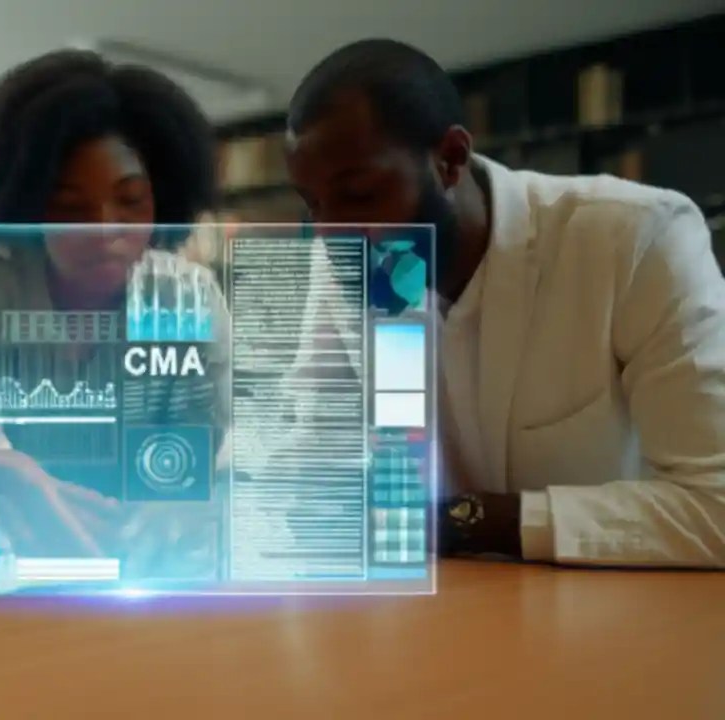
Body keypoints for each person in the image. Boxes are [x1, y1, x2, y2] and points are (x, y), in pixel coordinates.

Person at [283, 38, 725, 567]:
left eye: (359, 195)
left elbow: (714, 505)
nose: (333, 237)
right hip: (441, 616)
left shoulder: (635, 240)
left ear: (450, 160)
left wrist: (465, 521)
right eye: (314, 207)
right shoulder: (348, 263)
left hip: (615, 616)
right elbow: (313, 469)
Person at [0, 49, 230, 559]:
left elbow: (214, 440)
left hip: (147, 557)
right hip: (17, 554)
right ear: (25, 204)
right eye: (69, 207)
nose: (103, 230)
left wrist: (179, 498)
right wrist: (3, 470)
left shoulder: (190, 294)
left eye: (131, 201)